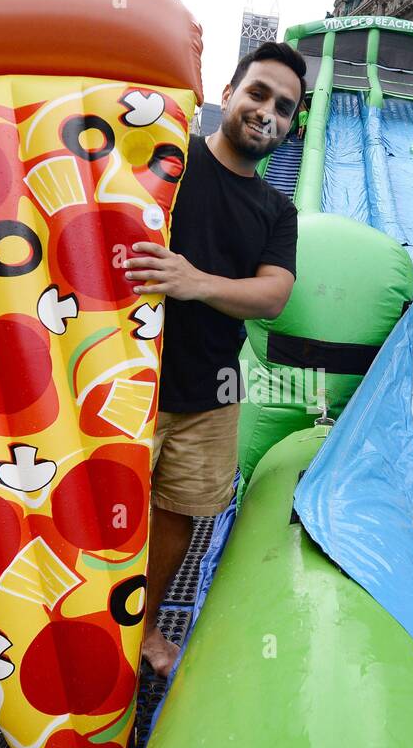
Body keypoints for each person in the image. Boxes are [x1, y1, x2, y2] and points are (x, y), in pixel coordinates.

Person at [123, 41, 303, 676]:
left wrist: (195, 281)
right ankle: (79, 627)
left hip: (210, 394)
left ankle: (141, 631)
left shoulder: (278, 211)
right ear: (226, 94)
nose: (267, 113)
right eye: (258, 93)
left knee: (178, 514)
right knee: (98, 506)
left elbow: (274, 294)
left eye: (285, 107)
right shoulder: (172, 160)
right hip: (122, 381)